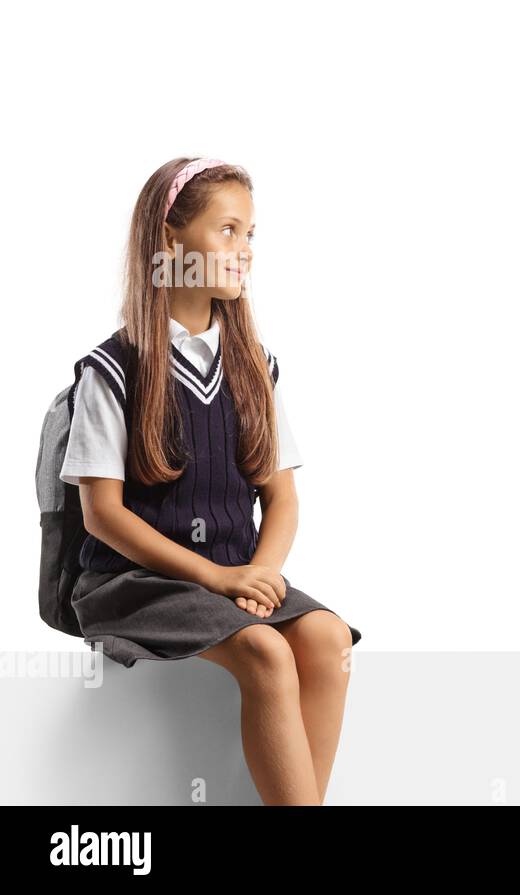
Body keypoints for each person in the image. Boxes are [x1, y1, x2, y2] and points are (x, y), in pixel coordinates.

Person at [60, 157, 362, 806]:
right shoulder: (112, 370)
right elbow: (102, 515)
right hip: (135, 581)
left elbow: (280, 495)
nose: (244, 250)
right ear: (171, 241)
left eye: (251, 234)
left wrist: (262, 574)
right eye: (227, 230)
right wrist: (217, 579)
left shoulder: (255, 364)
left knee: (328, 638)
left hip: (231, 572)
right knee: (265, 652)